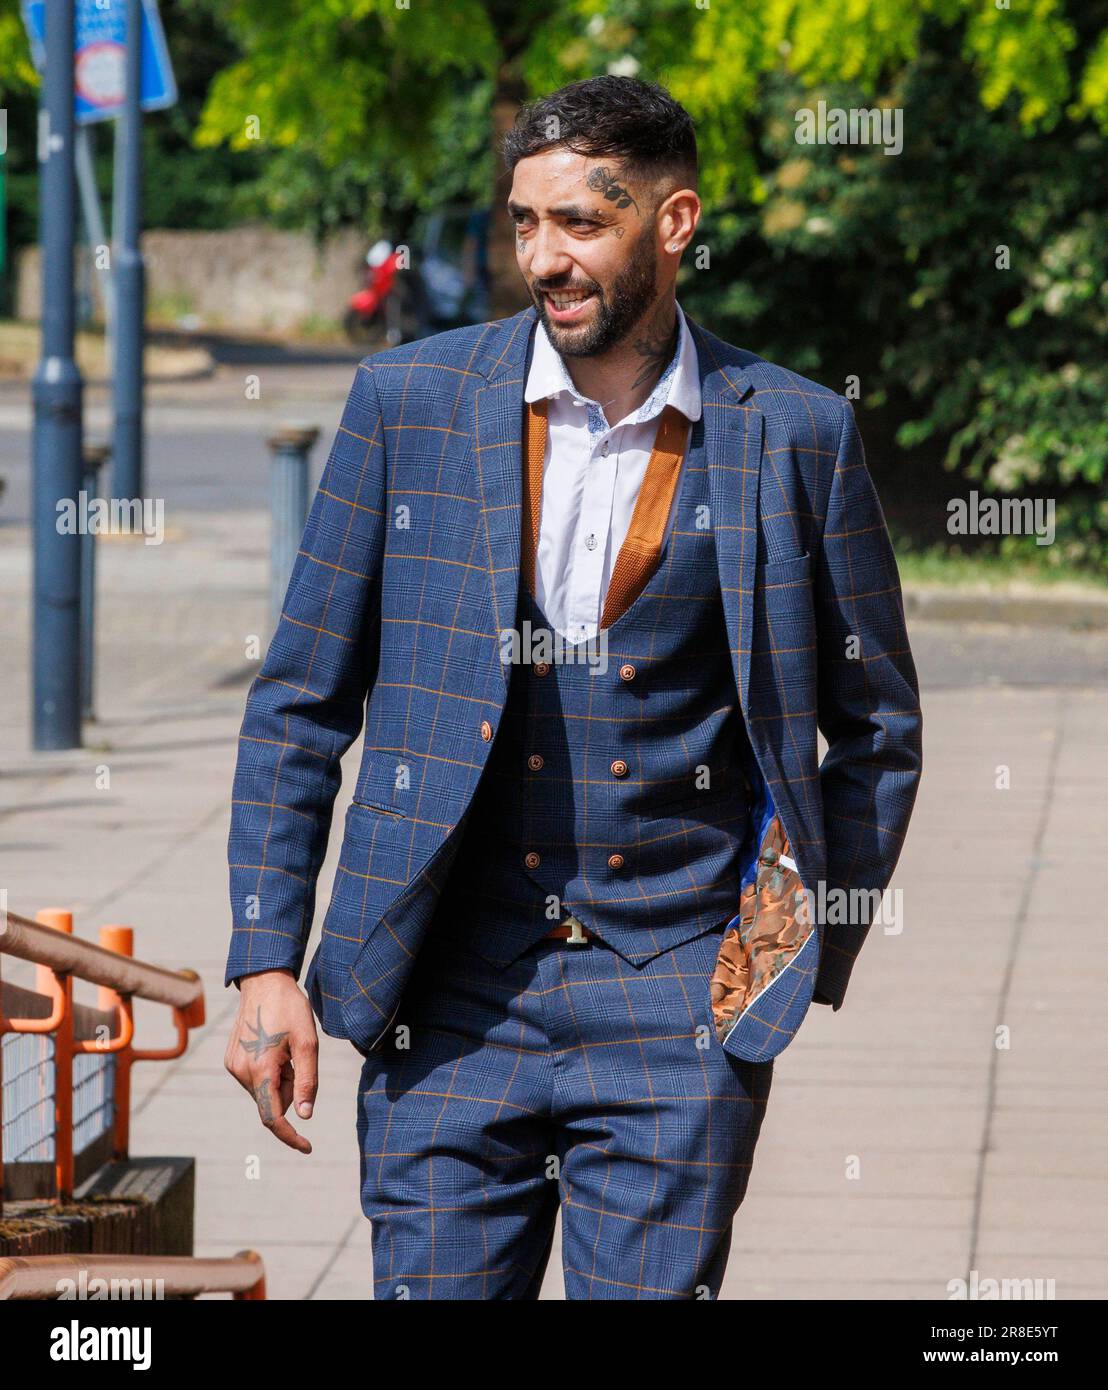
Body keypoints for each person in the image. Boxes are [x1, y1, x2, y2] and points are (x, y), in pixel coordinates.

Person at [223, 75, 923, 1300]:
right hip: (440, 997)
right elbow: (299, 703)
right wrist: (266, 958)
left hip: (677, 1006)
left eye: (579, 225)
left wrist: (774, 965)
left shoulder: (794, 434)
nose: (543, 257)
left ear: (674, 221)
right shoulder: (412, 408)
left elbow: (875, 729)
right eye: (522, 223)